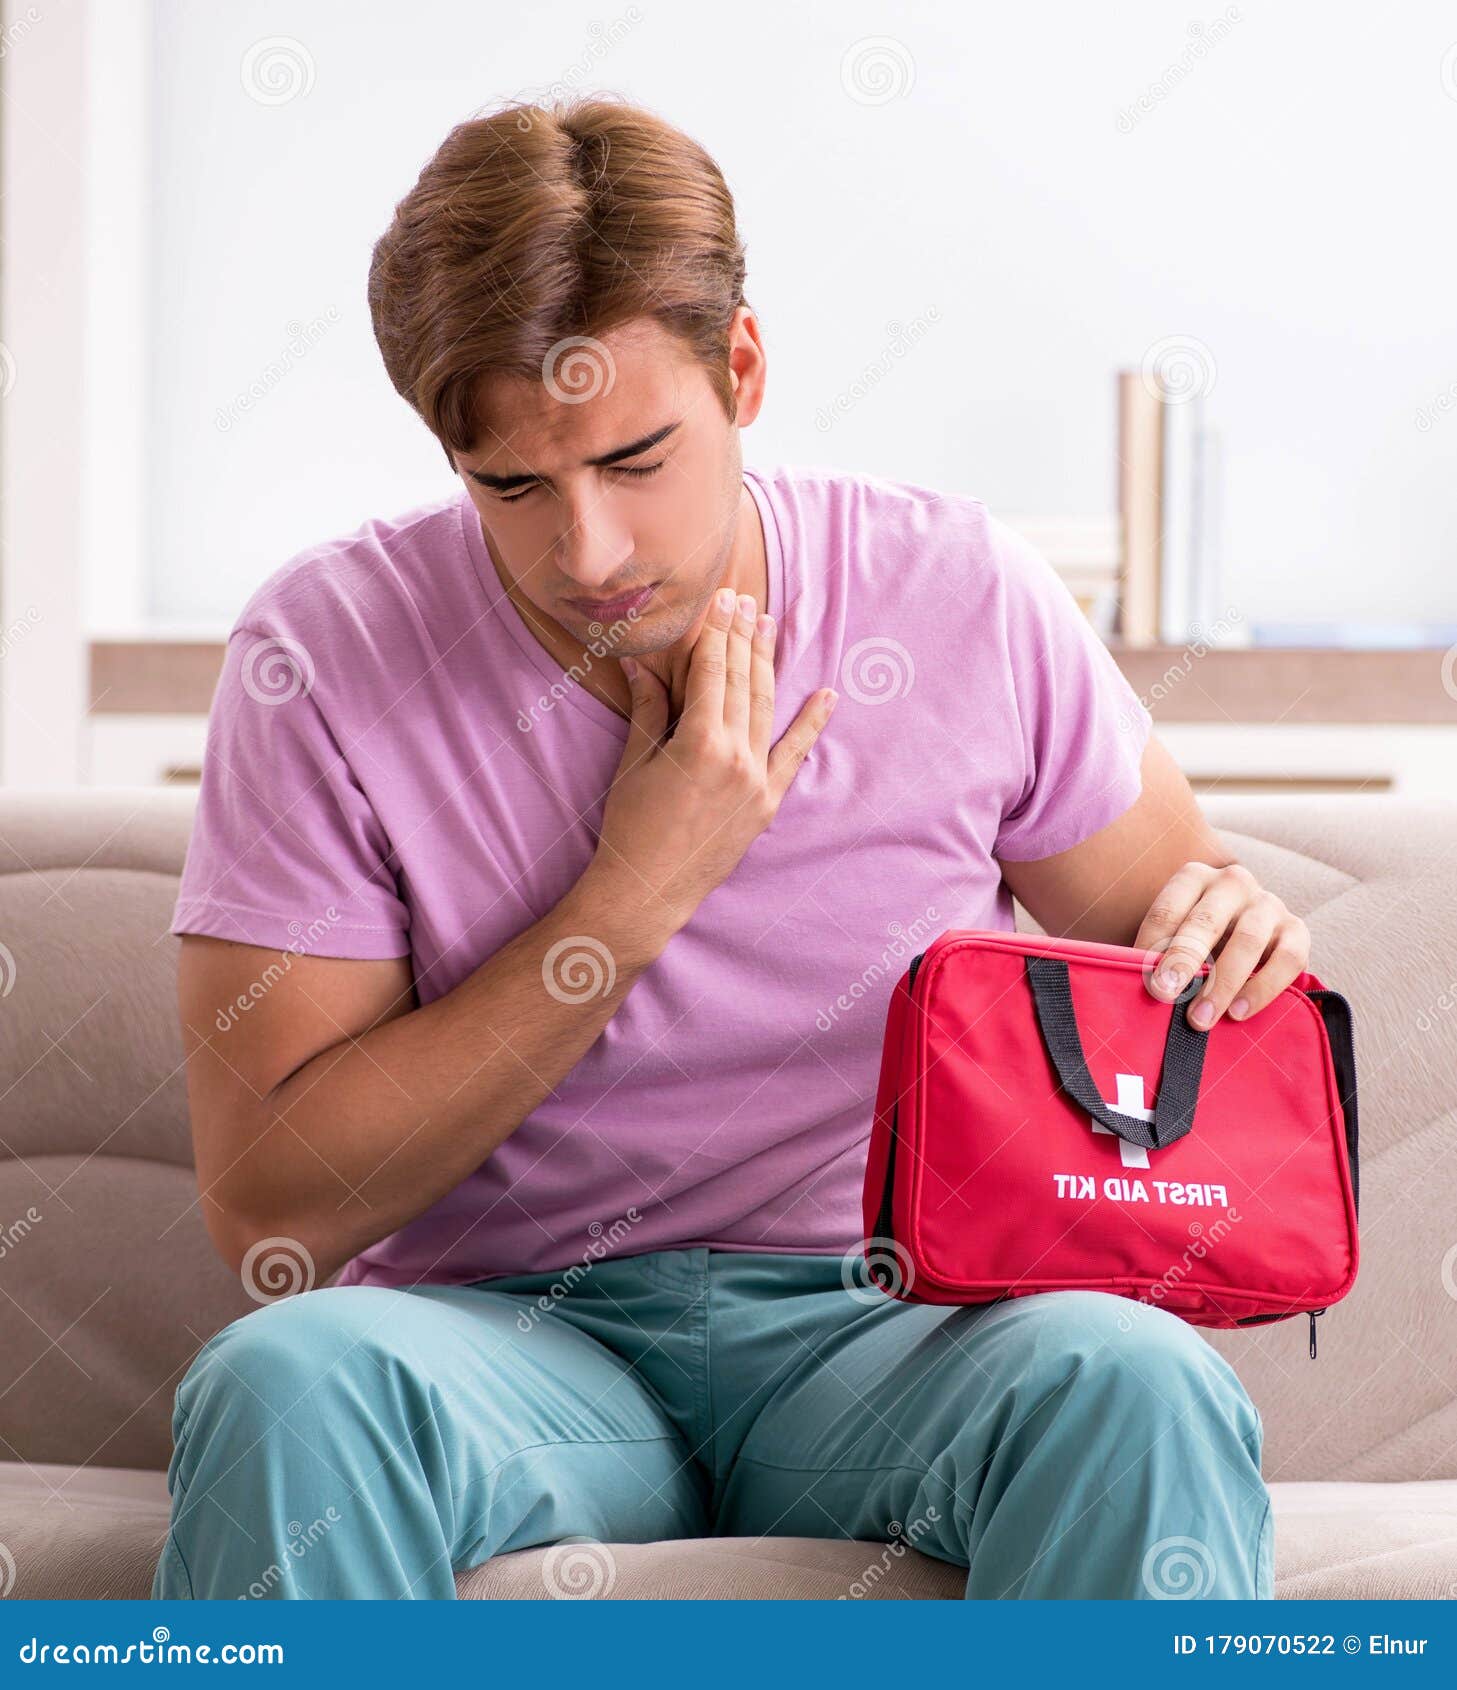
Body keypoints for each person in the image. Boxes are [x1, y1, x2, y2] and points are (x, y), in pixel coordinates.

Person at [152, 95, 1299, 1601]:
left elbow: (1174, 984)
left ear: (741, 369)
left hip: (894, 1328)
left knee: (1131, 1384)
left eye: (636, 457)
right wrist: (633, 894)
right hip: (504, 1341)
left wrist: (1229, 938)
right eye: (512, 485)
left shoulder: (956, 596)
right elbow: (270, 1208)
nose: (588, 555)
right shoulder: (326, 651)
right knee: (286, 1381)